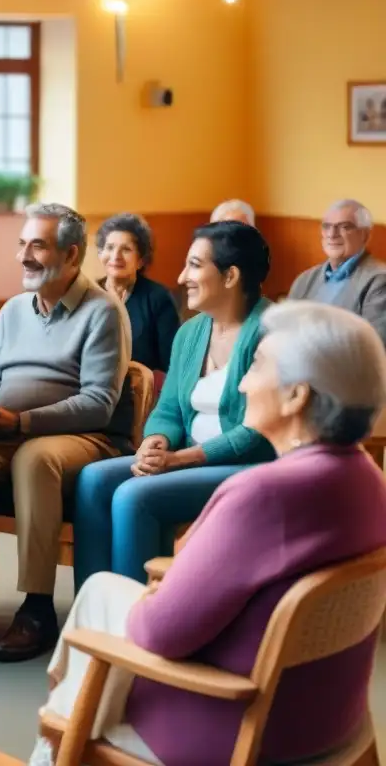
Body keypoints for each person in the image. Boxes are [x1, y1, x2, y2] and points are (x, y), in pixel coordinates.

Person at [34, 301, 386, 766]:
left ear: (296, 395)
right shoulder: (366, 477)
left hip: (234, 729)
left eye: (258, 365)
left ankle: (53, 746)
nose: (242, 382)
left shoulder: (261, 495)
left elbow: (160, 633)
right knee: (104, 591)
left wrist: (162, 591)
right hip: (329, 720)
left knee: (100, 606)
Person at [74, 221, 276, 591]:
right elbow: (168, 409)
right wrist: (157, 442)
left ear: (230, 276)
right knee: (93, 479)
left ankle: (133, 624)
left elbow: (257, 431)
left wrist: (180, 460)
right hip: (185, 457)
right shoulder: (191, 331)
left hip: (248, 468)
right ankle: (94, 614)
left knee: (135, 496)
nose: (182, 277)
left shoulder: (270, 331)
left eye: (195, 265)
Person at [0, 203, 135, 663]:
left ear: (71, 255)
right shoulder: (11, 311)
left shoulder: (102, 312)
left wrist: (24, 423)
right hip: (8, 434)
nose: (24, 255)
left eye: (38, 246)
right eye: (22, 244)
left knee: (35, 458)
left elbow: (98, 403)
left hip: (88, 440)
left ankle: (37, 608)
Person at [288, 198, 386, 346]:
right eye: (326, 226)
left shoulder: (379, 281)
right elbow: (283, 332)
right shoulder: (304, 279)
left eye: (345, 227)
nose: (332, 234)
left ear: (365, 235)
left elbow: (375, 346)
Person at [95, 213, 180, 374]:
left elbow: (171, 364)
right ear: (100, 253)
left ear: (141, 260)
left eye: (126, 249)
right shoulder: (86, 294)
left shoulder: (158, 298)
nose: (116, 256)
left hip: (142, 393)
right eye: (110, 247)